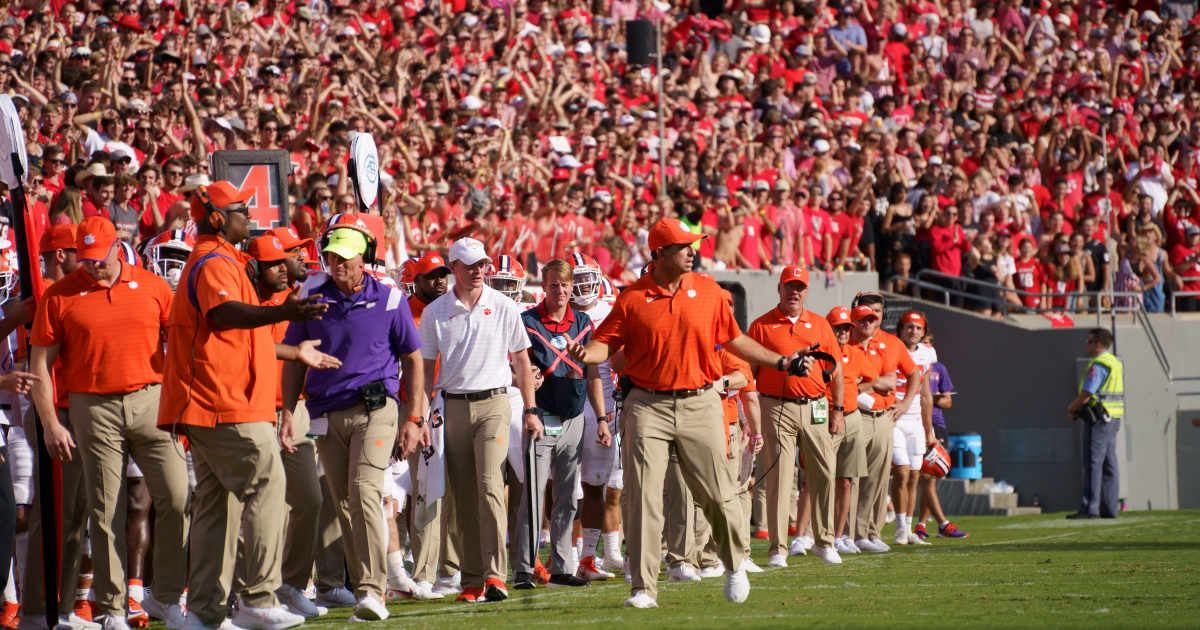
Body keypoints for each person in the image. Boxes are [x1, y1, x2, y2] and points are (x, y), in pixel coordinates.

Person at [567, 219, 809, 609]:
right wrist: (584, 355)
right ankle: (643, 588)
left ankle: (732, 563)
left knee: (718, 494)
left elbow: (737, 341)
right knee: (644, 495)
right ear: (659, 253)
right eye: (682, 245)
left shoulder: (711, 292)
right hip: (646, 404)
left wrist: (782, 362)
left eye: (693, 243)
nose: (692, 250)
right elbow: (603, 347)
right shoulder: (630, 298)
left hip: (701, 403)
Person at [156, 181, 328, 630]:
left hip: (216, 402)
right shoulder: (213, 260)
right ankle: (258, 597)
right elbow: (224, 315)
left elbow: (245, 336)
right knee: (268, 482)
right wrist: (283, 314)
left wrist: (294, 351)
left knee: (215, 506)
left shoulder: (228, 259)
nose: (248, 219)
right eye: (240, 211)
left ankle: (206, 613)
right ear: (216, 217)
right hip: (220, 402)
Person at [28, 217, 188, 630]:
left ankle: (165, 597)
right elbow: (40, 366)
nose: (92, 267)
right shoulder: (60, 295)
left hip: (151, 399)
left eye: (99, 258)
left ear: (117, 247)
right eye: (84, 259)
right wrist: (50, 423)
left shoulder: (154, 286)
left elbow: (182, 346)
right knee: (105, 511)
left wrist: (183, 403)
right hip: (91, 406)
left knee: (176, 497)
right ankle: (113, 608)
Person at [281, 215, 433, 620]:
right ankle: (364, 585)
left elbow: (412, 358)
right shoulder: (311, 294)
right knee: (346, 502)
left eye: (344, 256)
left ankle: (373, 592)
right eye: (331, 256)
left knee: (365, 491)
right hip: (325, 414)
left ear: (362, 257)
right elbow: (295, 358)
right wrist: (285, 410)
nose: (337, 263)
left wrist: (414, 417)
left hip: (376, 409)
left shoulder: (390, 297)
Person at [417, 237, 541, 604]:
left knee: (489, 485)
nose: (478, 270)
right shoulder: (435, 312)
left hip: (495, 403)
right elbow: (424, 372)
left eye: (482, 264)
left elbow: (521, 360)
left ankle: (494, 576)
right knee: (463, 496)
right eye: (470, 264)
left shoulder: (503, 305)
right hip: (451, 406)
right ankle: (471, 580)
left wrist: (530, 410)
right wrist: (419, 416)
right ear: (453, 266)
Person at [243, 232, 345, 618]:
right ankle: (248, 590)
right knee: (253, 507)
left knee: (310, 500)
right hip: (248, 411)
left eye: (296, 254)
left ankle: (291, 584)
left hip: (293, 410)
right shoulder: (240, 302)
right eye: (287, 256)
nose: (295, 261)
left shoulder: (300, 297)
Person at [512, 259, 604, 589]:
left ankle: (563, 565)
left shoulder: (583, 321)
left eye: (566, 284)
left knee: (568, 495)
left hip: (575, 416)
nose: (561, 290)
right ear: (544, 287)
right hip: (542, 414)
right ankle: (523, 568)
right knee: (535, 494)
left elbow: (592, 372)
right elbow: (513, 365)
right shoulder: (527, 321)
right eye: (554, 284)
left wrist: (602, 417)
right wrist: (526, 396)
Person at [747, 265, 844, 567]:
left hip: (816, 406)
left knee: (825, 473)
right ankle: (778, 548)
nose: (794, 291)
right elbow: (748, 373)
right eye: (789, 285)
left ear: (806, 291)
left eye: (800, 286)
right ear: (779, 288)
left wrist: (837, 409)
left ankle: (824, 541)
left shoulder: (819, 324)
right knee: (779, 477)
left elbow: (836, 370)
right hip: (776, 406)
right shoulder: (761, 326)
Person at [848, 293, 921, 553]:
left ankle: (871, 531)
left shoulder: (891, 342)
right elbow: (851, 378)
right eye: (869, 311)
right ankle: (849, 533)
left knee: (878, 478)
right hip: (854, 414)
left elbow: (913, 375)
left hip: (883, 415)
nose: (873, 316)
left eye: (878, 311)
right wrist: (880, 379)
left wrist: (904, 403)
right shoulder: (846, 339)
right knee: (851, 475)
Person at [400, 254, 455, 596]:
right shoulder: (403, 312)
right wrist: (412, 414)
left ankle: (449, 569)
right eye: (431, 275)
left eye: (442, 275)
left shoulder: (454, 307)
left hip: (451, 401)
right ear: (416, 280)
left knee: (452, 491)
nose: (439, 280)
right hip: (414, 405)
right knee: (421, 489)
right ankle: (421, 572)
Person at [569, 254, 624, 581]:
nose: (582, 285)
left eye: (586, 277)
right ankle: (573, 553)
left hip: (607, 403)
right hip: (572, 403)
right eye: (576, 278)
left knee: (605, 484)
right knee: (567, 485)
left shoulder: (609, 310)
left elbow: (618, 362)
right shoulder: (561, 313)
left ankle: (601, 553)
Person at [825, 306, 877, 555]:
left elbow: (873, 377)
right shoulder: (820, 352)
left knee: (846, 481)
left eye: (847, 327)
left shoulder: (854, 354)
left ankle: (837, 536)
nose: (843, 332)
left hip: (851, 417)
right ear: (828, 327)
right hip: (824, 418)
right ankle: (805, 536)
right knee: (818, 479)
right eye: (838, 327)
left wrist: (856, 389)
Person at [889, 311, 936, 546]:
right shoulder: (890, 347)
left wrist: (929, 430)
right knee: (902, 471)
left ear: (924, 331)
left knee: (915, 475)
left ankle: (908, 530)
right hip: (894, 416)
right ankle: (898, 529)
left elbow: (926, 395)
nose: (914, 331)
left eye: (918, 328)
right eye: (909, 327)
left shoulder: (927, 354)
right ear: (900, 329)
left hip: (916, 419)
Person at [1066, 328, 1123, 520]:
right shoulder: (1115, 362)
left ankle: (1089, 508)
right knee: (1109, 464)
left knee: (1093, 462)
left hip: (1098, 419)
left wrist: (1072, 409)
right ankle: (1109, 508)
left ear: (1098, 344)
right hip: (1113, 418)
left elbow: (1086, 395)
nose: (1086, 344)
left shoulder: (1098, 364)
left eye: (1088, 341)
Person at [915, 343, 969, 540]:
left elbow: (948, 401)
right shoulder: (910, 363)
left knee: (930, 477)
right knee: (919, 477)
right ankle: (942, 524)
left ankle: (921, 524)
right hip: (914, 423)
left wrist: (928, 397)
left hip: (936, 425)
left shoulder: (939, 368)